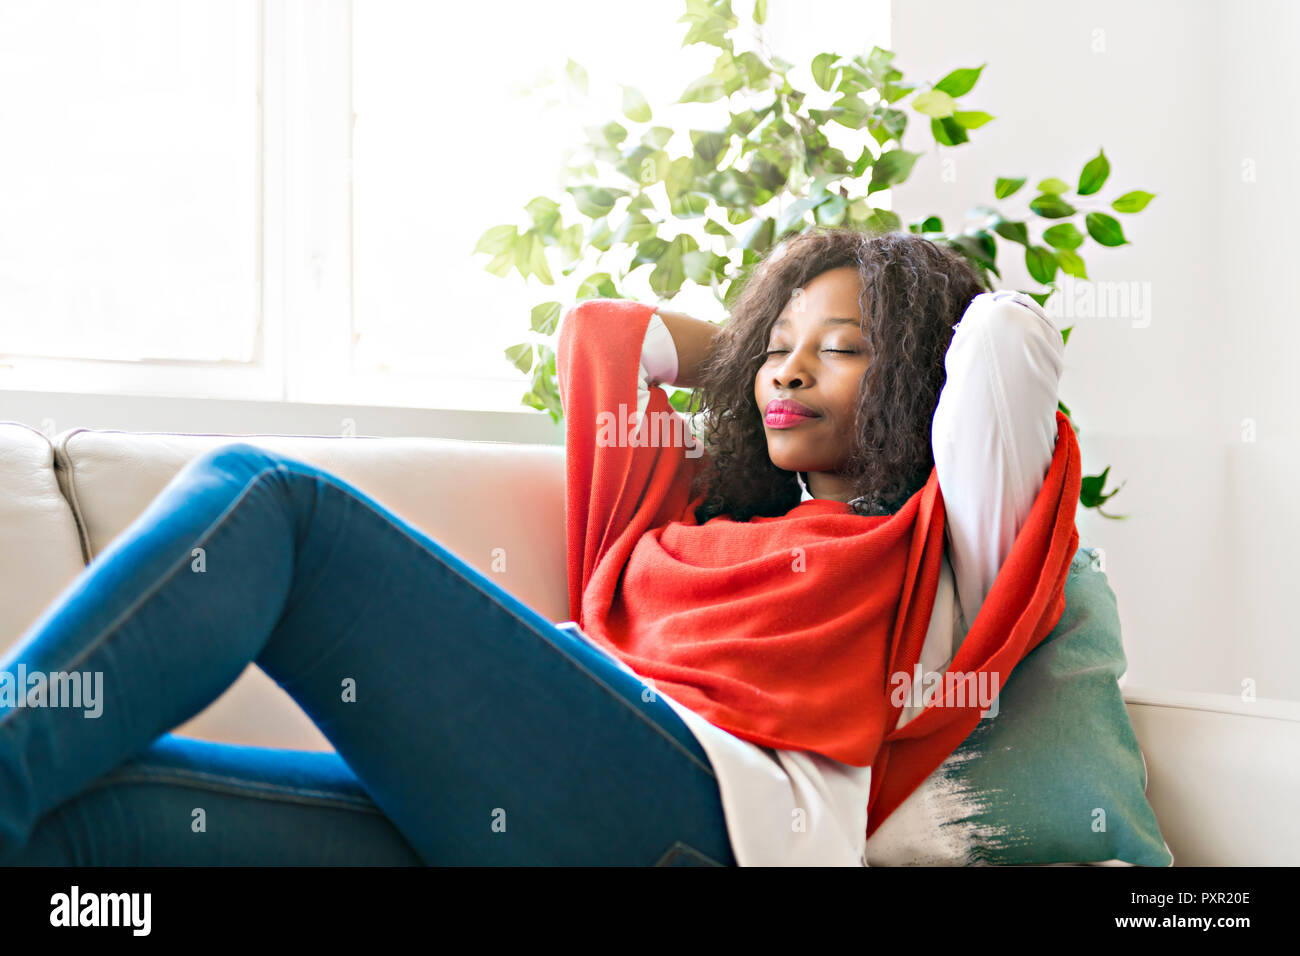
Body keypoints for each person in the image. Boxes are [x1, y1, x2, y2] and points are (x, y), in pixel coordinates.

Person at [0, 226, 1076, 867]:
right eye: (774, 352)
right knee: (93, 819)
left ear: (915, 385)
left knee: (271, 499)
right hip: (534, 802)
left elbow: (1005, 344)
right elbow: (603, 334)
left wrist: (876, 302)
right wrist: (762, 341)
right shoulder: (697, 525)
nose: (787, 374)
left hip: (694, 818)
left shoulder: (934, 545)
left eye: (840, 352)